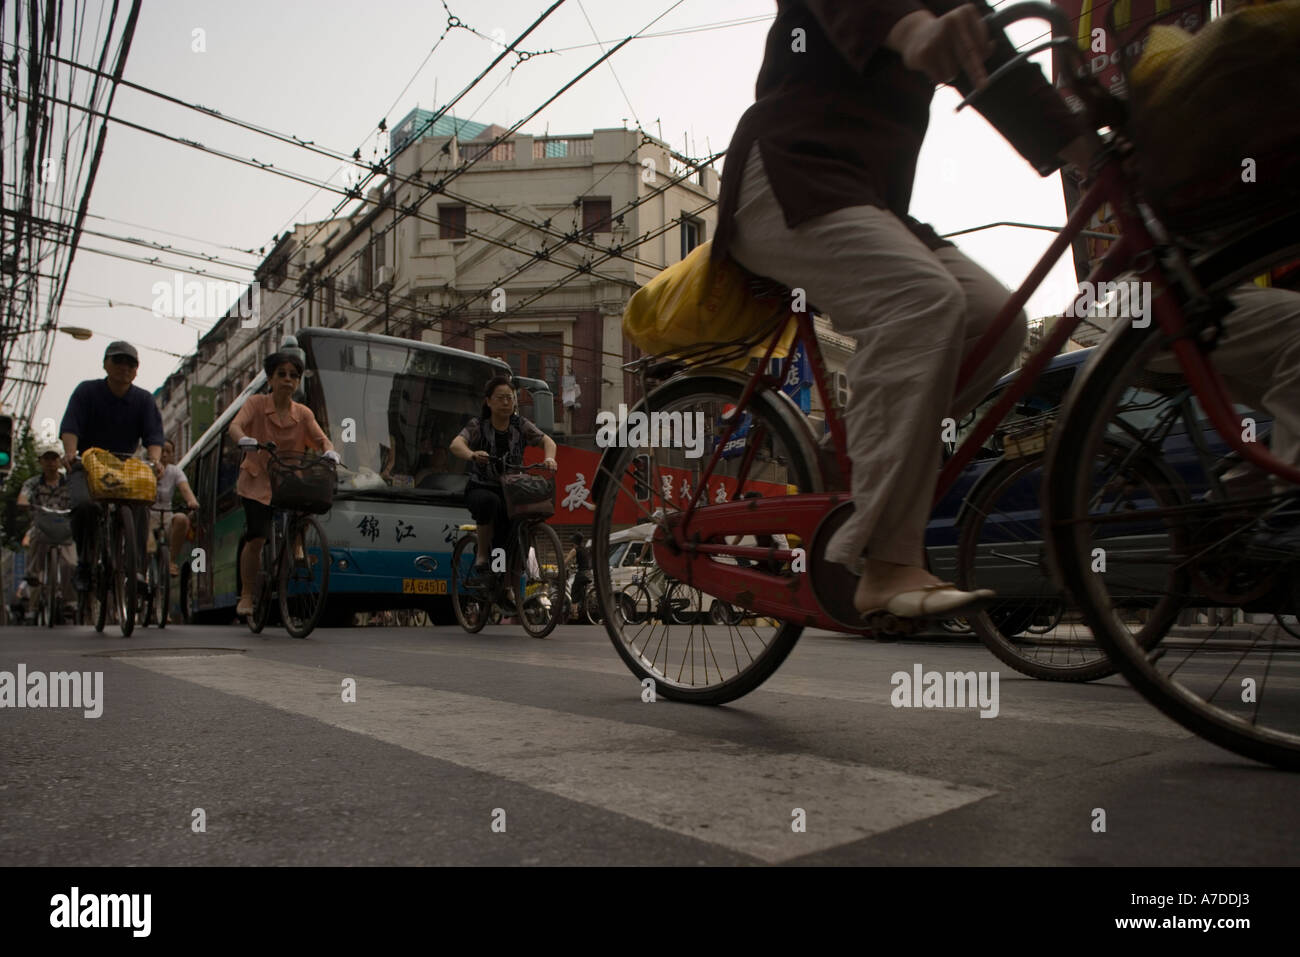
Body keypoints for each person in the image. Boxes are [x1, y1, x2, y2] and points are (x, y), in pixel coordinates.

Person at [713, 1, 1098, 620]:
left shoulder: (954, 10)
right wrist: (913, 30)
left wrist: (1094, 154)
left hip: (870, 200)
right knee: (923, 301)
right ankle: (887, 561)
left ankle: (850, 459)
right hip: (788, 170)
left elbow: (1001, 73)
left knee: (995, 320)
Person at [228, 351, 339, 617]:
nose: (288, 380)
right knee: (257, 537)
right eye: (282, 374)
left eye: (294, 375)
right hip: (257, 479)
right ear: (271, 378)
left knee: (310, 499)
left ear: (298, 382)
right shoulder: (255, 404)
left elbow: (322, 439)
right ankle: (246, 595)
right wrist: (244, 439)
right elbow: (236, 426)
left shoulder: (303, 413)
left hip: (288, 480)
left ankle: (297, 545)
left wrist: (330, 451)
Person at [59, 340, 166, 593]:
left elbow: (154, 437)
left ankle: (137, 569)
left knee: (141, 504)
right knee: (85, 506)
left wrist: (155, 461)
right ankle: (85, 563)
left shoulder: (144, 399)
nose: (124, 368)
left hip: (123, 467)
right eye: (118, 361)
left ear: (137, 370)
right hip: (86, 464)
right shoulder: (86, 391)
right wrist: (70, 453)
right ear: (105, 364)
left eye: (131, 364)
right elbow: (70, 427)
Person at [449, 375, 557, 580]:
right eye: (500, 398)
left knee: (507, 533)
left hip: (512, 490)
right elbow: (456, 445)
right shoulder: (478, 425)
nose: (506, 402)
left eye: (510, 397)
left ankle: (501, 579)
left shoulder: (521, 425)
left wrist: (550, 459)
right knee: (491, 503)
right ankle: (481, 555)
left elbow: (548, 442)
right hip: (481, 487)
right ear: (488, 401)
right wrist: (472, 454)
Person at [18, 440, 76, 615]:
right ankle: (33, 574)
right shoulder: (33, 483)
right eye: (47, 458)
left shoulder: (70, 482)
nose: (51, 462)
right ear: (40, 461)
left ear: (59, 461)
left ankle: (70, 601)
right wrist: (23, 503)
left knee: (71, 564)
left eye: (54, 458)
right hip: (42, 526)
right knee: (34, 536)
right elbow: (23, 497)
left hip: (65, 528)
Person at [153, 440, 201, 577]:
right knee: (147, 544)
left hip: (166, 517)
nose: (165, 455)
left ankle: (171, 561)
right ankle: (142, 570)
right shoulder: (147, 469)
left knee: (181, 519)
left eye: (169, 451)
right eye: (162, 451)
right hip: (149, 516)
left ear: (173, 454)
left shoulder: (175, 472)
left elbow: (185, 489)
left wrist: (192, 501)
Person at [565, 533, 592, 617]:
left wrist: (560, 567)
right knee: (581, 592)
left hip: (581, 574)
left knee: (574, 592)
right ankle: (582, 607)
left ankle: (574, 613)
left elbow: (565, 561)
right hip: (588, 574)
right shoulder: (585, 549)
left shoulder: (575, 550)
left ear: (574, 542)